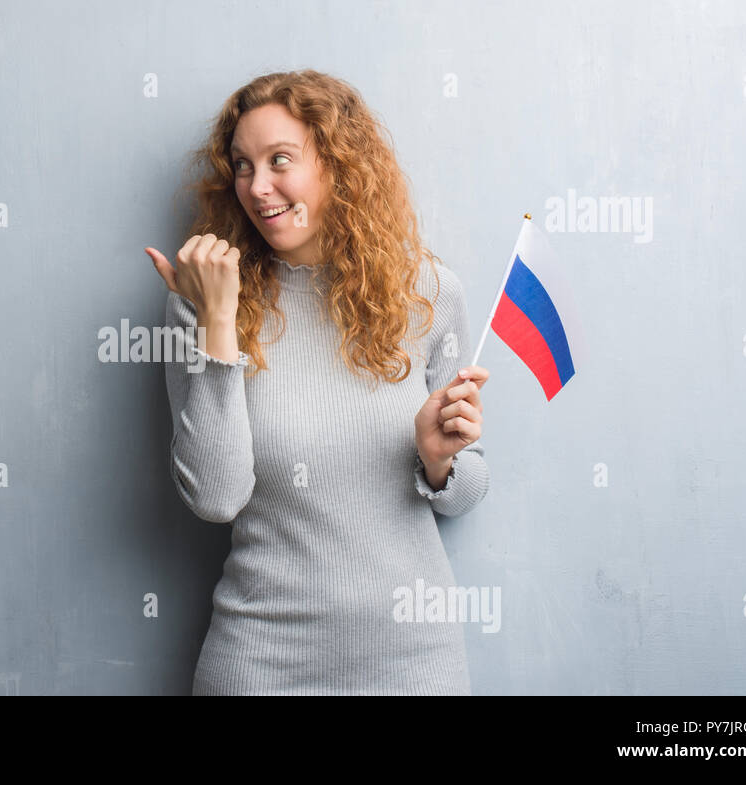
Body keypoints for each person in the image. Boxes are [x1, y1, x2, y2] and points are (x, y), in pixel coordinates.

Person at [144, 70, 491, 695]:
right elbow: (217, 497)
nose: (258, 187)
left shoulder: (431, 296)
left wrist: (441, 463)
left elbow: (466, 494)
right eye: (243, 167)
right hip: (260, 661)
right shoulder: (200, 306)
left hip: (413, 660)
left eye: (281, 160)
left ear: (338, 163)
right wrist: (220, 322)